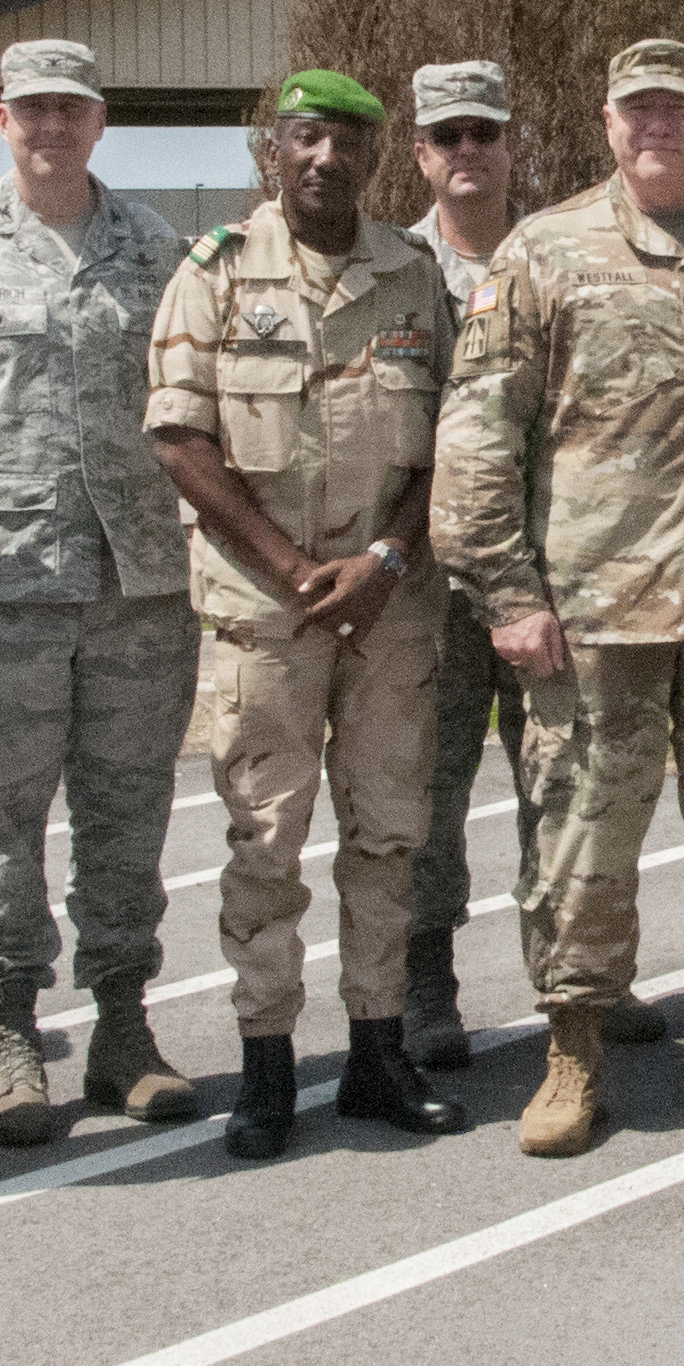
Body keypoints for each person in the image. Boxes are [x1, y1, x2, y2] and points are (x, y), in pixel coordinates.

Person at [433, 37, 684, 1159]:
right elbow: (474, 432)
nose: (656, 126)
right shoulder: (544, 251)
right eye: (636, 109)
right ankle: (572, 1058)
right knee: (578, 845)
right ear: (608, 124)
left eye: (679, 109)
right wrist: (505, 588)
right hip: (587, 615)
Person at [147, 70, 469, 1160]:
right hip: (262, 608)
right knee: (266, 840)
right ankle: (269, 1065)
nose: (325, 158)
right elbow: (180, 438)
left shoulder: (412, 274)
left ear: (374, 158)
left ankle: (378, 1049)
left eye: (346, 142)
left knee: (388, 835)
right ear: (271, 151)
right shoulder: (216, 274)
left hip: (390, 605)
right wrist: (290, 564)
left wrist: (386, 553)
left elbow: (457, 438)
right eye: (305, 139)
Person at [0, 39, 205, 1147]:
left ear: (99, 118)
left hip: (138, 585)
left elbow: (189, 399)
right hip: (4, 585)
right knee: (0, 813)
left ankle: (123, 1028)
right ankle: (12, 1035)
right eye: (31, 111)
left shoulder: (154, 246)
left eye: (69, 108)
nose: (51, 128)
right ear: (1, 119)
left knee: (128, 817)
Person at [395, 60, 644, 1070]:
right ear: (420, 151)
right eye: (447, 135)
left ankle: (577, 977)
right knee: (428, 792)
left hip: (558, 574)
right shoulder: (393, 270)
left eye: (484, 133)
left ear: (512, 144)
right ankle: (424, 986)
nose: (467, 151)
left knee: (568, 782)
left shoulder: (562, 254)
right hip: (426, 585)